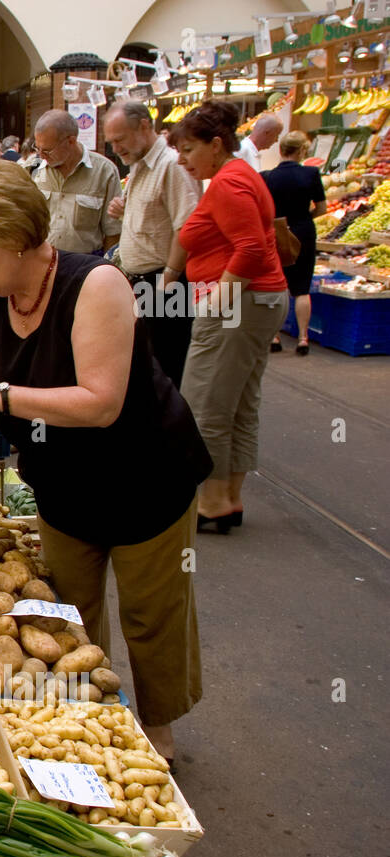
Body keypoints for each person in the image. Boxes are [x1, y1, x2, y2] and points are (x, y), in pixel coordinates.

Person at [0, 158, 211, 760]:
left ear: (19, 237)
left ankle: (158, 730)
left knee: (152, 616)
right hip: (64, 487)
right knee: (65, 619)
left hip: (144, 476)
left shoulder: (96, 283)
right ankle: (93, 723)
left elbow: (100, 402)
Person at [173, 100, 289, 533]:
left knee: (206, 403)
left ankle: (214, 500)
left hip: (239, 306)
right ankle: (228, 496)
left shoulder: (227, 183)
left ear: (216, 144)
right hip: (259, 302)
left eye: (189, 149)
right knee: (239, 403)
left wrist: (217, 301)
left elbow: (251, 249)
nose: (183, 159)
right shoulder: (242, 175)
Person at [103, 99, 200, 386]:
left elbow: (187, 226)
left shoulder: (171, 165)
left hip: (163, 283)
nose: (115, 148)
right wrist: (126, 210)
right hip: (143, 283)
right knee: (145, 366)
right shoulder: (139, 165)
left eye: (120, 139)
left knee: (165, 370)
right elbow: (155, 220)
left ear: (145, 126)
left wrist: (168, 280)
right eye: (111, 142)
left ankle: (168, 430)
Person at [262, 130, 326, 356]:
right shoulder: (311, 174)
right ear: (302, 151)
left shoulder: (267, 176)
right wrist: (305, 218)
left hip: (277, 232)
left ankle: (275, 336)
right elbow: (321, 208)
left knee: (277, 284)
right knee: (301, 288)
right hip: (304, 231)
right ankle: (303, 338)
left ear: (280, 150)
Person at [32, 109, 122, 254]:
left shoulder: (104, 171)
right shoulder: (34, 168)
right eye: (37, 148)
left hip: (85, 263)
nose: (41, 156)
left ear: (71, 141)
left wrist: (104, 267)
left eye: (47, 151)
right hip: (43, 261)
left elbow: (113, 231)